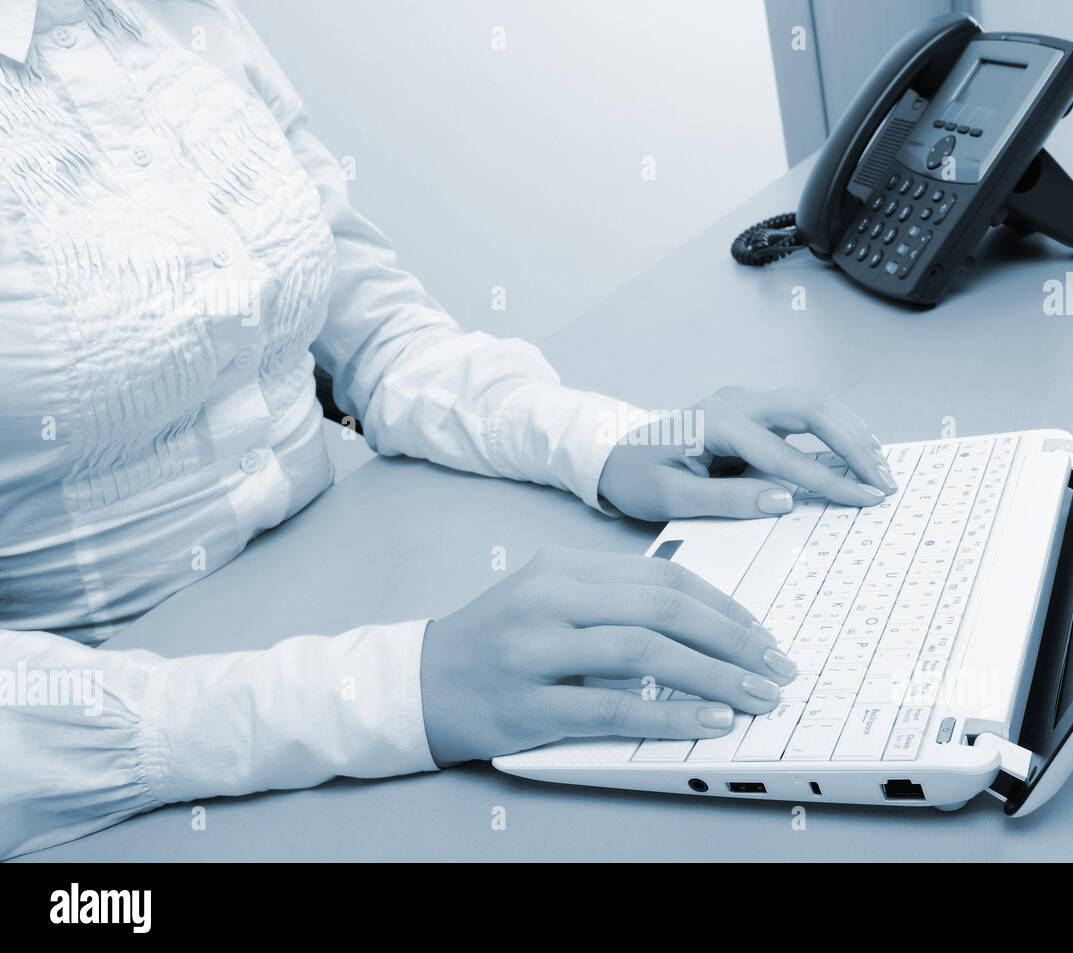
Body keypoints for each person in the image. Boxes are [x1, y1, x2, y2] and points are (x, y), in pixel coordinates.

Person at [0, 0, 894, 858]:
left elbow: (383, 342)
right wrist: (394, 689)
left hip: (368, 587)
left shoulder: (192, 20)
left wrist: (603, 439)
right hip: (134, 750)